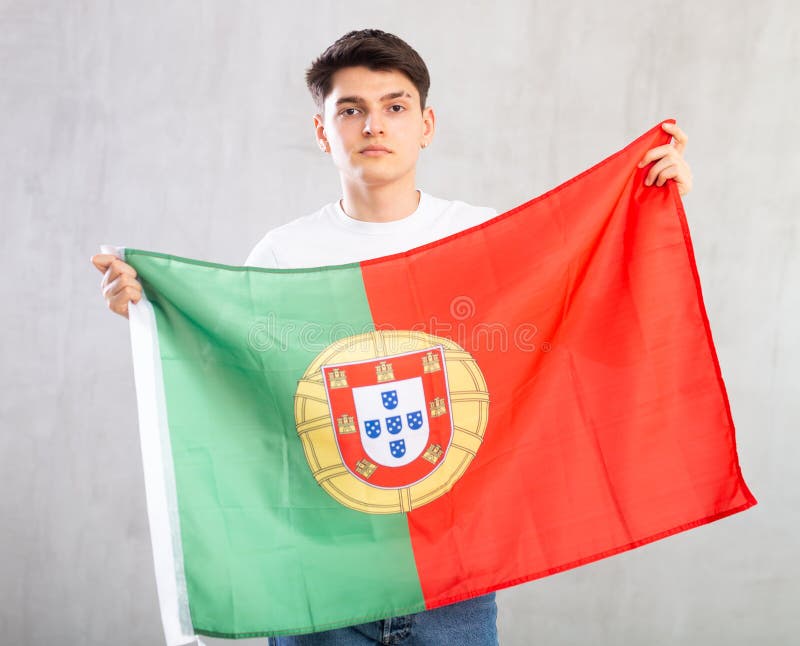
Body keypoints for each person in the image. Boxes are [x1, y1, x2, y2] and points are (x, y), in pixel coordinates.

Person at [91, 28, 693, 646]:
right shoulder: (283, 253)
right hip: (321, 578)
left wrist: (648, 210)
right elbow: (236, 382)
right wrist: (152, 314)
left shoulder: (484, 240)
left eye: (394, 107)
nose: (373, 125)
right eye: (350, 110)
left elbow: (586, 321)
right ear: (323, 131)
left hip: (453, 580)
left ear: (426, 125)